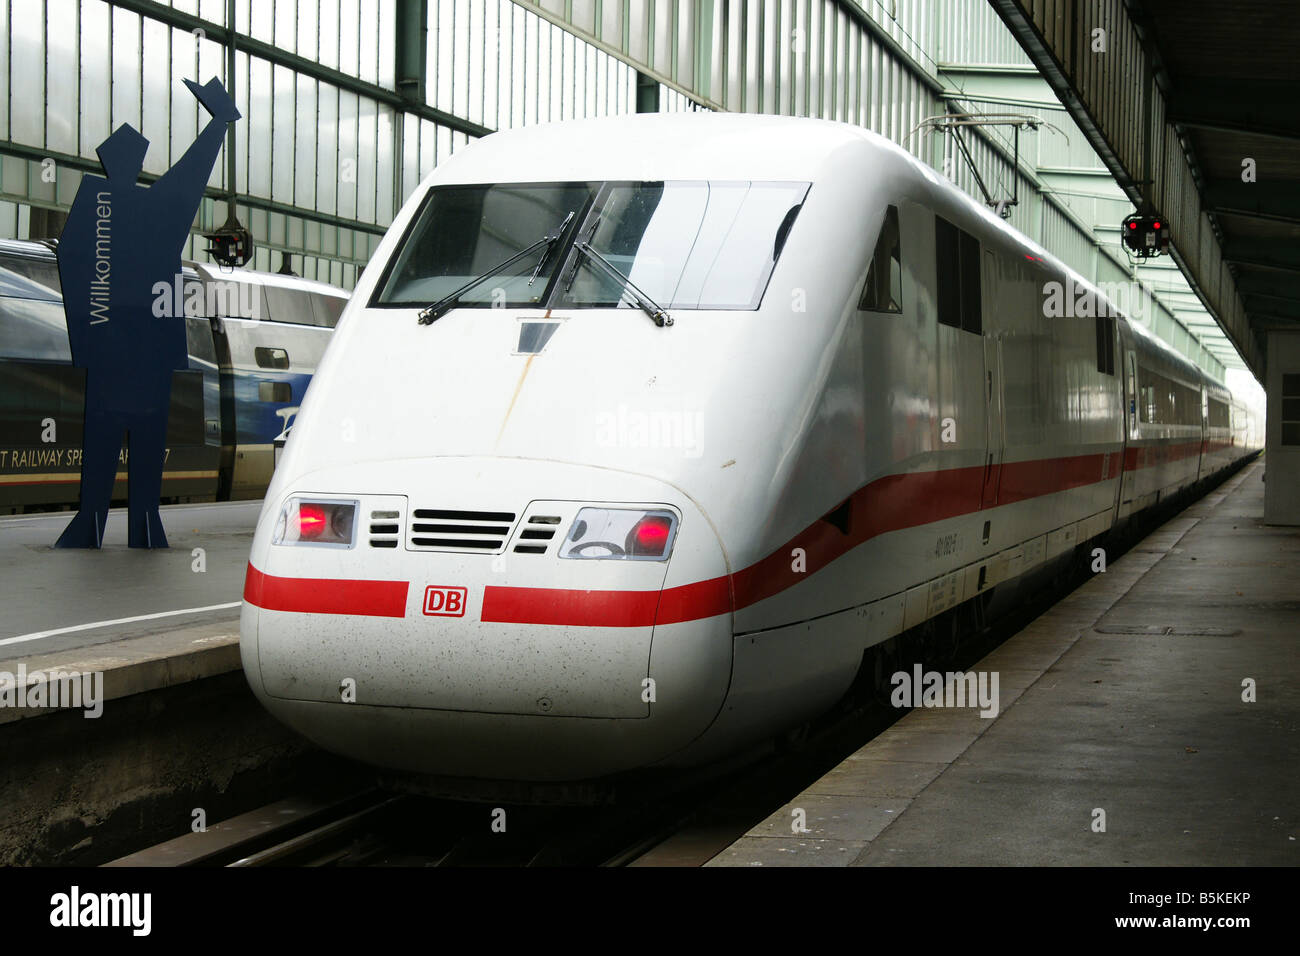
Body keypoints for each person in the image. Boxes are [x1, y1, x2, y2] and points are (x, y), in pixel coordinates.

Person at [55, 78, 239, 548]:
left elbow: (73, 263)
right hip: (149, 356)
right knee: (145, 436)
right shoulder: (149, 211)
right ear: (134, 165)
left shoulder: (95, 206)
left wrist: (93, 335)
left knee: (103, 433)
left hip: (109, 355)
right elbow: (190, 177)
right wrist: (218, 123)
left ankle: (92, 520)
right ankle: (142, 523)